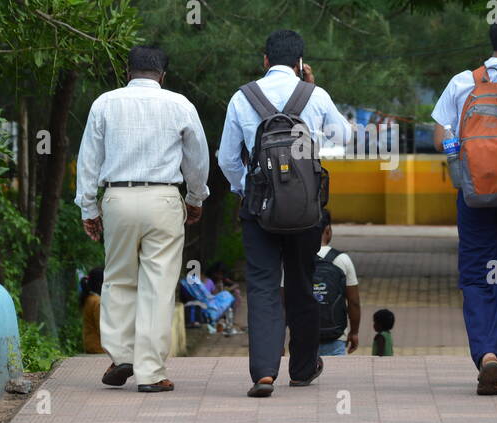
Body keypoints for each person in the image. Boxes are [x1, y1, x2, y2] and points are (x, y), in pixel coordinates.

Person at [217, 29, 350, 397]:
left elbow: (227, 158)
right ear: (301, 64)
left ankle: (263, 372)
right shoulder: (315, 95)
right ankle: (304, 368)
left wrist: (244, 189)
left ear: (264, 60)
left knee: (262, 286)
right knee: (301, 283)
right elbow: (344, 137)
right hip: (306, 211)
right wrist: (314, 90)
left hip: (258, 211)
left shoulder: (243, 98)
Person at [75, 45, 209, 392]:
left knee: (118, 278)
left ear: (127, 72)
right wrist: (195, 198)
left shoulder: (104, 103)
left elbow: (89, 158)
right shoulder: (180, 104)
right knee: (158, 286)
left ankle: (121, 356)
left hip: (118, 197)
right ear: (163, 76)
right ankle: (150, 373)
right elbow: (197, 158)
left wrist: (88, 207)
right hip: (163, 198)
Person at [432, 10, 497, 394]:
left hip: (473, 198)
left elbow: (439, 137)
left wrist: (467, 162)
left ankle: (487, 354)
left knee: (478, 278)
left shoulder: (463, 81)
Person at [312, 209, 361, 356]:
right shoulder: (342, 260)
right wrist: (354, 332)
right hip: (336, 337)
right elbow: (354, 302)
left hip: (302, 337)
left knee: (301, 375)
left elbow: (282, 303)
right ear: (328, 230)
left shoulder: (294, 260)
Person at [80, 267, 105, 354]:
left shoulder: (88, 298)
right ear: (101, 283)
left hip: (90, 344)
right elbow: (101, 327)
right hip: (99, 348)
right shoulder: (97, 301)